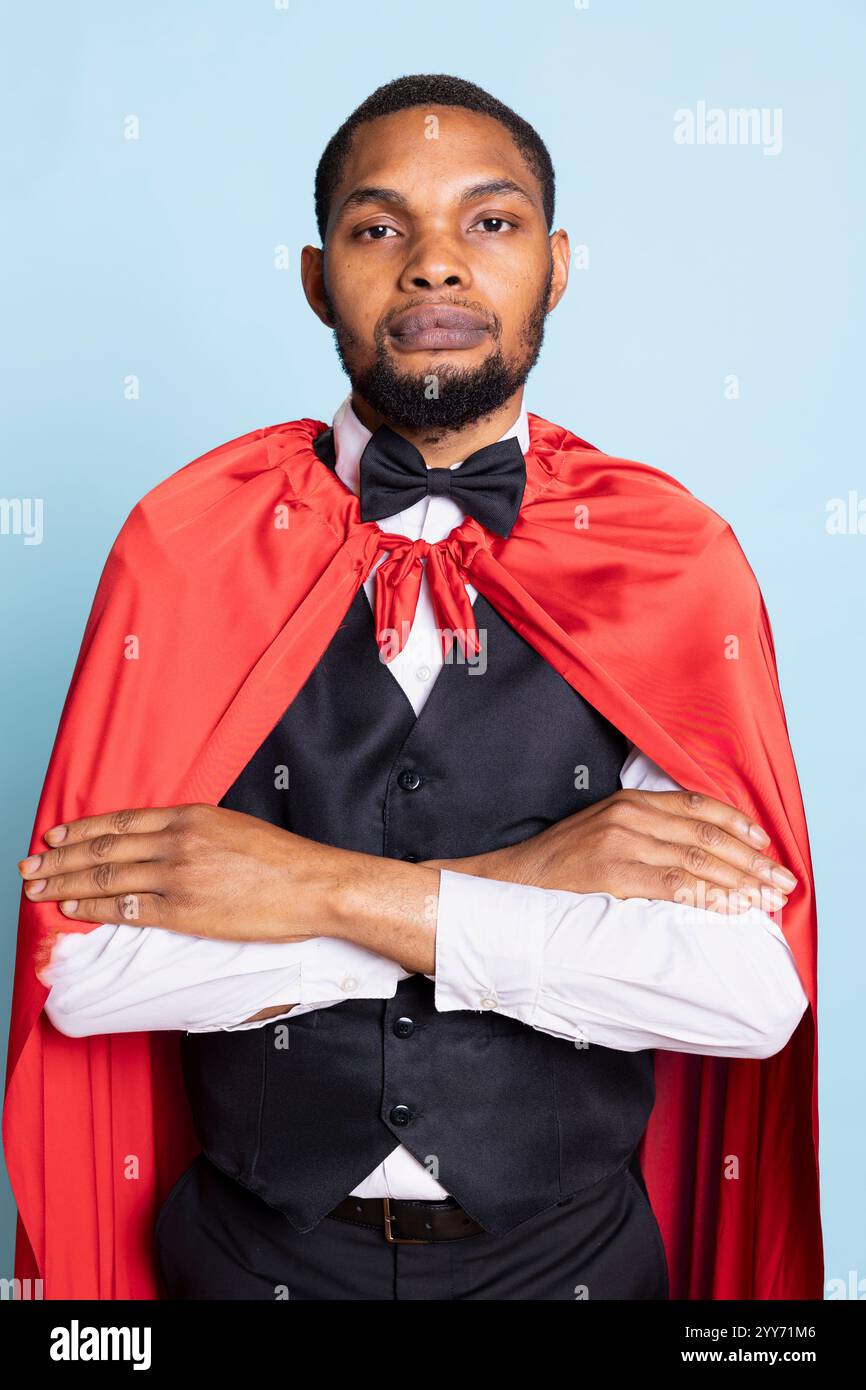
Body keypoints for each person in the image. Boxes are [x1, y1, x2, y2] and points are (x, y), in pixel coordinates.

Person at [5, 73, 822, 1301]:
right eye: (378, 227)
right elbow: (90, 970)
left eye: (487, 224)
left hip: (576, 1273)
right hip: (245, 1265)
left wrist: (302, 886)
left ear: (554, 265)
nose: (433, 265)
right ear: (314, 274)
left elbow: (741, 991)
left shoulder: (668, 558)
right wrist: (533, 886)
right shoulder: (185, 546)